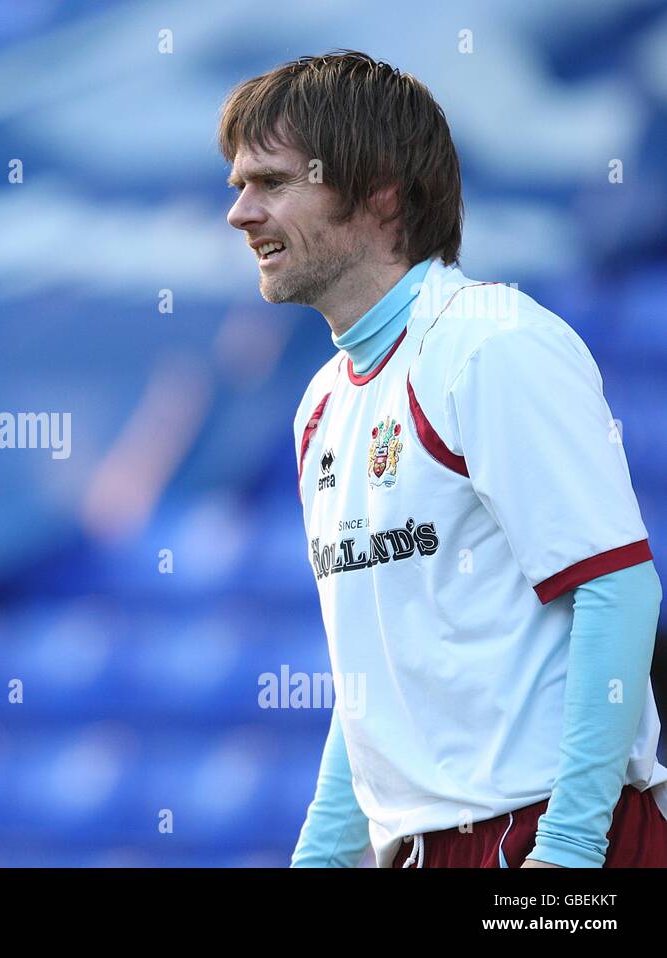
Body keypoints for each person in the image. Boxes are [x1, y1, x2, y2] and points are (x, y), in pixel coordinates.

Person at [218, 50, 667, 868]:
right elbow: (380, 675)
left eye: (272, 183)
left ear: (380, 191)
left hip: (547, 837)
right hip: (422, 847)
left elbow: (618, 590)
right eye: (239, 185)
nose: (241, 213)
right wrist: (321, 854)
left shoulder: (491, 343)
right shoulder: (321, 403)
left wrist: (566, 851)